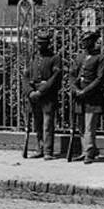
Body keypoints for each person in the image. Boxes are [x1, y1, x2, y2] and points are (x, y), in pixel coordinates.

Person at [72, 30, 104, 163]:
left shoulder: (100, 58)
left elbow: (100, 78)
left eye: (86, 40)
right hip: (79, 97)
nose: (83, 43)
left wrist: (85, 91)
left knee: (89, 127)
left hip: (93, 97)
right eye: (83, 40)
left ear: (92, 42)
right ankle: (84, 150)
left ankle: (89, 153)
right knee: (81, 126)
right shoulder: (79, 57)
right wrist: (75, 89)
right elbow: (72, 75)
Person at [26, 32, 63, 160]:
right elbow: (26, 76)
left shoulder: (55, 58)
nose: (39, 46)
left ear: (48, 44)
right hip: (34, 96)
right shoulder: (33, 57)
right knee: (37, 124)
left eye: (42, 43)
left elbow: (55, 77)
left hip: (47, 96)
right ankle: (39, 148)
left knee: (47, 125)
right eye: (38, 43)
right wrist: (30, 91)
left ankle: (48, 151)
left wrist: (41, 90)